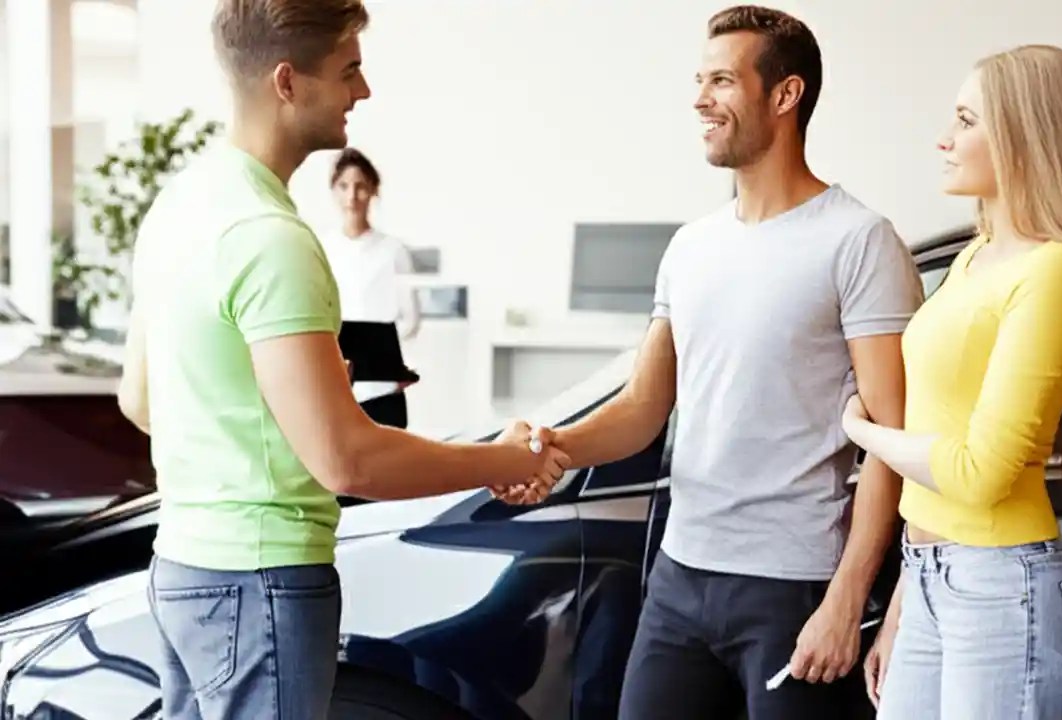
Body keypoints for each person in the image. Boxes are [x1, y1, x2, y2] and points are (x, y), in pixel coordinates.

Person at [114, 1, 567, 718]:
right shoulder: (271, 237)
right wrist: (505, 459)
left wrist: (282, 401)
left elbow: (140, 401)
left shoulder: (178, 207)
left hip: (182, 568)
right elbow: (347, 461)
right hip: (260, 579)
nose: (364, 91)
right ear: (287, 83)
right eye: (349, 70)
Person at [496, 6, 923, 718]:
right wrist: (551, 449)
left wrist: (847, 600)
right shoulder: (690, 247)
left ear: (784, 96)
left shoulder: (860, 241)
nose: (700, 99)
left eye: (722, 81)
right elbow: (643, 405)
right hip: (680, 580)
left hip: (794, 587)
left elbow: (892, 438)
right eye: (700, 80)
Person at [842, 44, 1062, 719]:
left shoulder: (1055, 272)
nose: (944, 139)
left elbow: (979, 474)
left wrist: (865, 432)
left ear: (1026, 138)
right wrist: (903, 609)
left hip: (1003, 591)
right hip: (931, 579)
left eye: (967, 121)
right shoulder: (976, 257)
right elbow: (944, 428)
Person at [321, 147, 420, 428]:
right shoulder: (323, 248)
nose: (352, 196)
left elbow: (410, 320)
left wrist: (390, 362)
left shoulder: (393, 251)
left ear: (373, 190)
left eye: (360, 187)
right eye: (344, 186)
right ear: (334, 191)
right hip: (335, 386)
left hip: (382, 389)